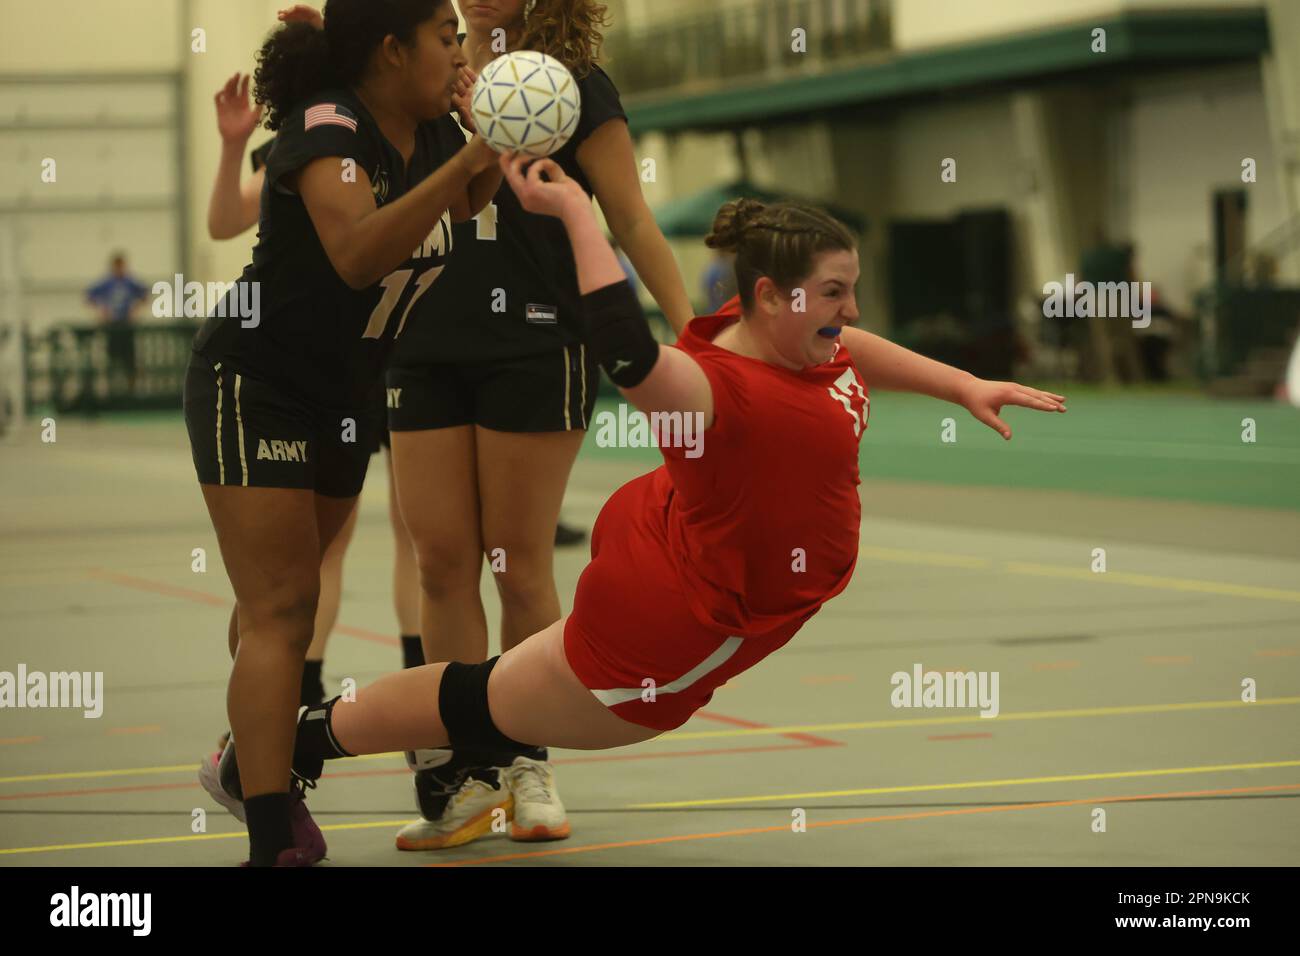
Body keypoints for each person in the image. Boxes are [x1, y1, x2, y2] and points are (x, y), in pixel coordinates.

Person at [210, 153, 1067, 865]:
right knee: (478, 702)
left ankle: (287, 745)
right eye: (836, 293)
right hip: (667, 629)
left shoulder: (790, 339)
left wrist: (961, 385)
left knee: (482, 692)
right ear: (770, 297)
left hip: (667, 556)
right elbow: (624, 352)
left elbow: (857, 353)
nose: (851, 313)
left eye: (849, 290)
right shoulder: (713, 390)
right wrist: (582, 218)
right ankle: (279, 752)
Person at [187, 0, 502, 867]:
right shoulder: (329, 127)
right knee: (284, 607)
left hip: (347, 394)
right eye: (447, 39)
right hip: (256, 383)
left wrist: (501, 127)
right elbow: (359, 252)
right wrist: (472, 151)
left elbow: (473, 198)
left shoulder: (434, 132)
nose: (460, 50)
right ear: (392, 52)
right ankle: (270, 830)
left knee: (279, 605)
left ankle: (244, 756)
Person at [376, 0, 695, 849]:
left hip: (538, 339)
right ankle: (464, 772)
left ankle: (525, 759)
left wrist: (698, 339)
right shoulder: (419, 71)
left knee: (517, 565)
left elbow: (631, 219)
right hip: (422, 341)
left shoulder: (576, 85)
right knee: (442, 562)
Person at [205, 62, 425, 728]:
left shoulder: (422, 132)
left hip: (405, 347)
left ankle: (422, 679)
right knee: (324, 544)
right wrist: (233, 144)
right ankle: (300, 684)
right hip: (332, 363)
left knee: (420, 534)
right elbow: (222, 222)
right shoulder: (314, 139)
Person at [86, 252, 150, 395]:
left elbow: (145, 293)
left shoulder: (130, 282)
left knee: (130, 360)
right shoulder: (106, 283)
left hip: (126, 326)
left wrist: (136, 309)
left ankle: (131, 391)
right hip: (112, 327)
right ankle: (112, 391)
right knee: (112, 360)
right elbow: (89, 296)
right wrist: (101, 311)